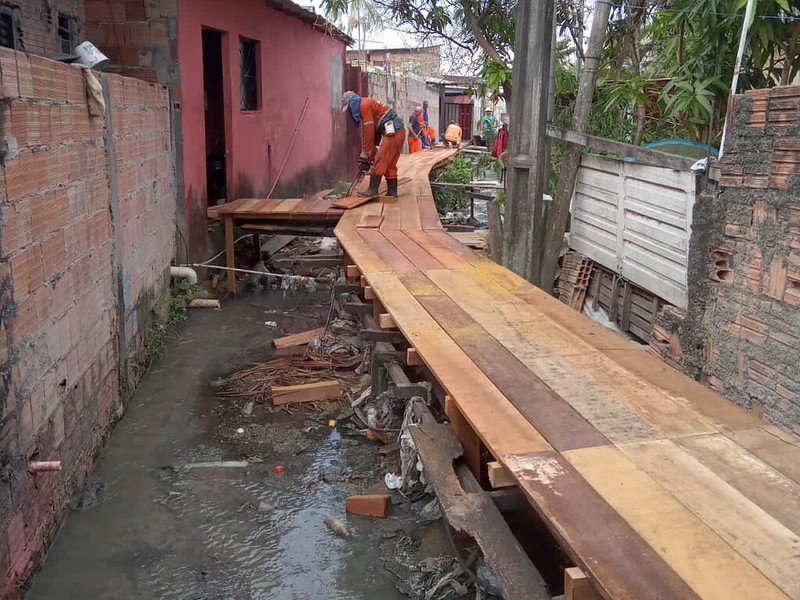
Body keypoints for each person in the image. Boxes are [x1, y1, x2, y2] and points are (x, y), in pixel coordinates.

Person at [342, 90, 406, 198]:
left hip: (393, 132)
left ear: (352, 103)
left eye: (349, 108)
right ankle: (392, 192)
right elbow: (376, 132)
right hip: (398, 131)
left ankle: (373, 189)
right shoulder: (368, 103)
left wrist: (366, 153)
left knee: (380, 160)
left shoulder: (364, 106)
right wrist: (371, 152)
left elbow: (369, 131)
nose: (350, 111)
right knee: (389, 163)